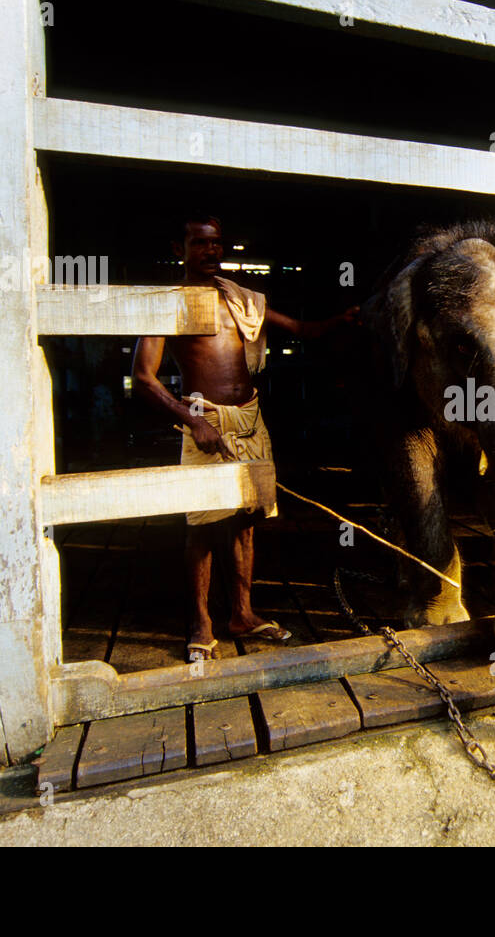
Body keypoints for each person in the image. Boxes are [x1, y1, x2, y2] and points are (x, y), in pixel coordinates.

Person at [132, 215, 357, 662]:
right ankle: (200, 621)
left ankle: (243, 614)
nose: (209, 251)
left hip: (250, 420)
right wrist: (192, 419)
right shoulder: (168, 304)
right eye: (199, 243)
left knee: (248, 519)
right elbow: (143, 378)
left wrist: (341, 320)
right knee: (203, 524)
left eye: (215, 244)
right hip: (206, 420)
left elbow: (302, 331)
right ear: (180, 249)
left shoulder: (242, 301)